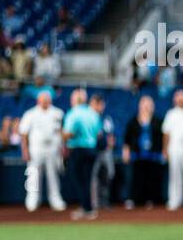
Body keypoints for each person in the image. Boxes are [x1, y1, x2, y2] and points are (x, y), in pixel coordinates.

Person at [17, 89, 67, 212]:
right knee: (33, 174)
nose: (45, 102)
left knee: (53, 175)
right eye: (43, 100)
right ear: (38, 101)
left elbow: (63, 132)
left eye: (47, 100)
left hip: (53, 149)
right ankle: (32, 200)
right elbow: (23, 133)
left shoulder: (58, 113)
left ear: (50, 100)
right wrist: (25, 150)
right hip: (36, 149)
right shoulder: (30, 114)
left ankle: (55, 199)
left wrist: (63, 147)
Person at [62, 88, 102, 221]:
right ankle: (88, 207)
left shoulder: (73, 113)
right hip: (92, 149)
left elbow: (69, 133)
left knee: (80, 181)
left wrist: (59, 134)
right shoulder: (92, 113)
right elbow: (99, 133)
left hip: (77, 149)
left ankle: (87, 209)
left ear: (75, 100)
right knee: (88, 180)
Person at [122, 94, 165, 209]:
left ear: (153, 106)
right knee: (136, 179)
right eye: (144, 104)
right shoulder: (133, 121)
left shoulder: (158, 121)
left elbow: (163, 138)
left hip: (153, 156)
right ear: (139, 106)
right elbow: (127, 139)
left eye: (149, 105)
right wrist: (126, 152)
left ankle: (150, 200)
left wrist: (164, 151)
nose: (146, 107)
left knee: (151, 179)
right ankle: (134, 199)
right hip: (137, 155)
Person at [89, 93, 118, 210]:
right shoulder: (88, 117)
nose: (99, 106)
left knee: (109, 174)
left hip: (105, 151)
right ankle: (94, 203)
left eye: (100, 103)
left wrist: (111, 144)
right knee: (93, 177)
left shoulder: (106, 118)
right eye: (97, 103)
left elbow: (111, 134)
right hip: (93, 150)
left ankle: (104, 201)